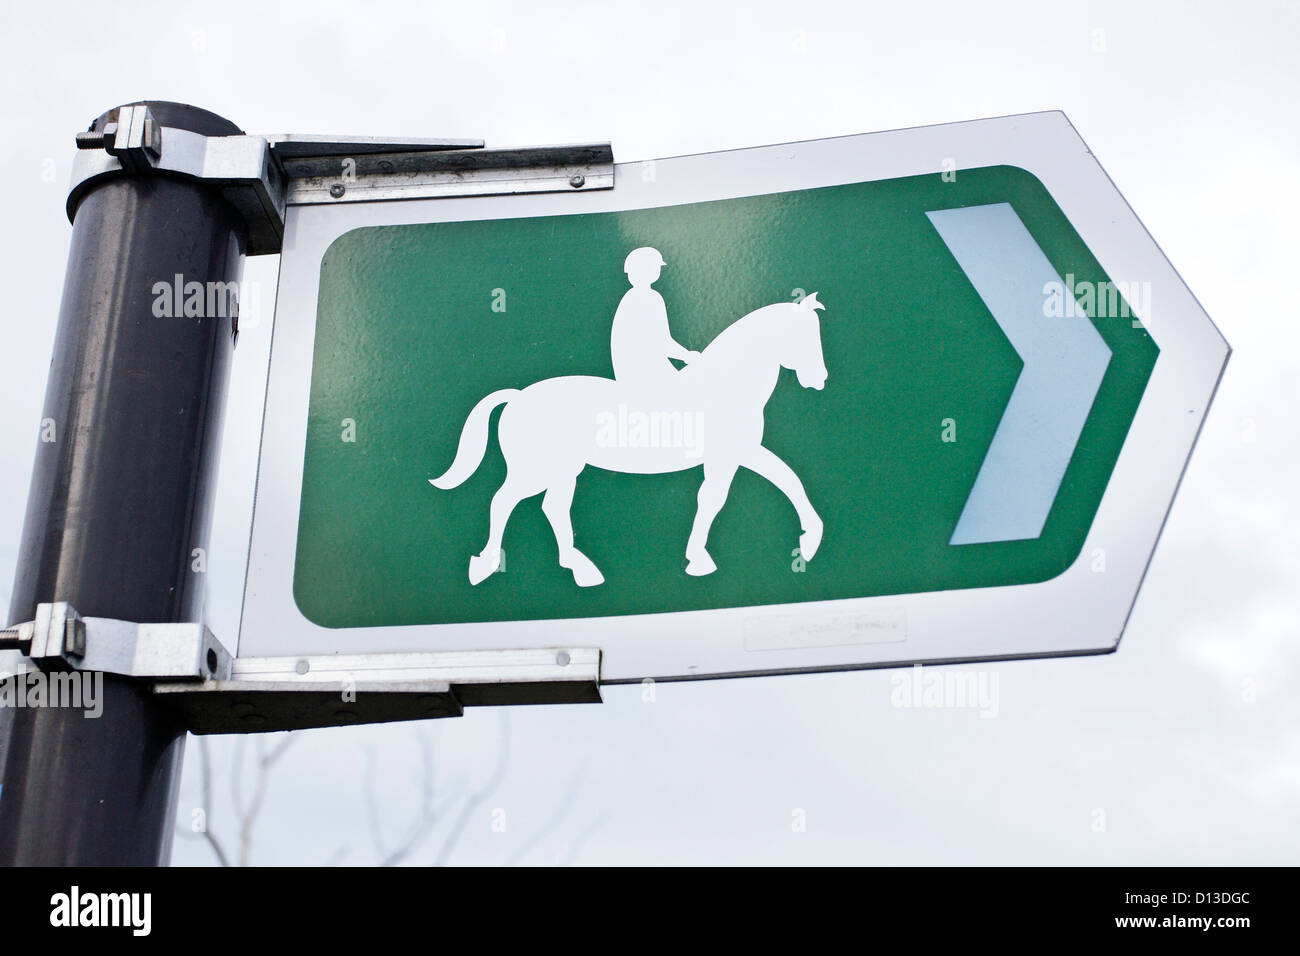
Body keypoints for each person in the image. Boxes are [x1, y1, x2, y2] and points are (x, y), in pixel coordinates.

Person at [610, 247, 701, 389]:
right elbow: (662, 342)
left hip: (627, 374)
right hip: (646, 373)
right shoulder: (651, 298)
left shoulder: (629, 297)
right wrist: (687, 356)